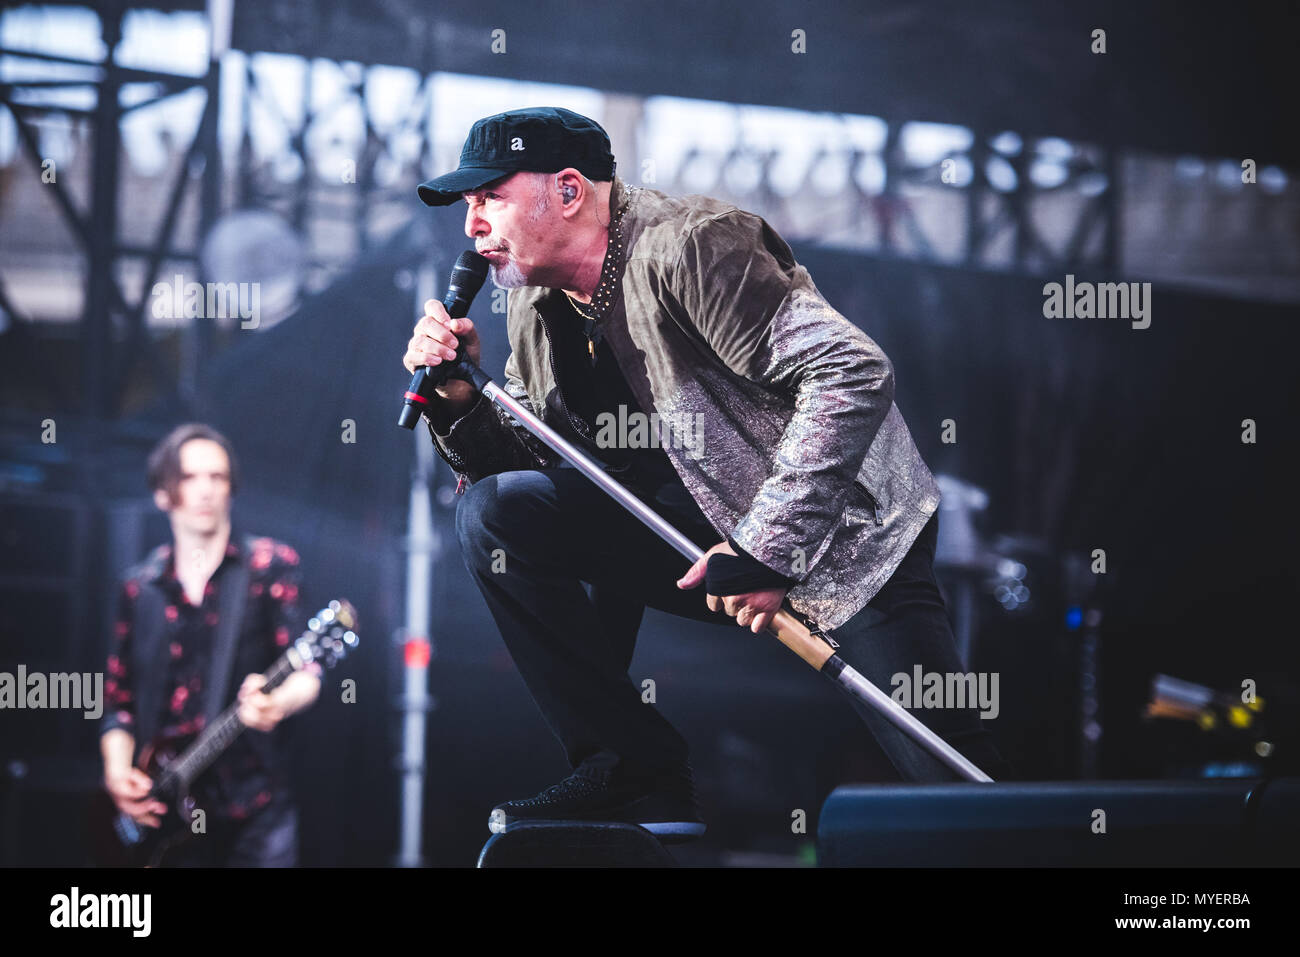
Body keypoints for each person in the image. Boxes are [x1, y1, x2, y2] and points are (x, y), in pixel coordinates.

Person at [405, 107, 1014, 839]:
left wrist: (767, 548)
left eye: (488, 198)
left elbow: (851, 372)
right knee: (497, 513)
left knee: (952, 779)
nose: (471, 225)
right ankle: (631, 767)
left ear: (569, 191)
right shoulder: (534, 304)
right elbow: (539, 471)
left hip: (841, 537)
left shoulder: (692, 247)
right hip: (692, 537)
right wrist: (462, 404)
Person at [99, 423, 321, 865]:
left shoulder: (269, 566)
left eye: (217, 477)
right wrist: (117, 773)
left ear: (231, 490)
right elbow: (117, 702)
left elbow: (307, 672)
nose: (204, 490)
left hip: (255, 808)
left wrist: (279, 703)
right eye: (189, 477)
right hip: (167, 810)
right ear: (163, 494)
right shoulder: (140, 587)